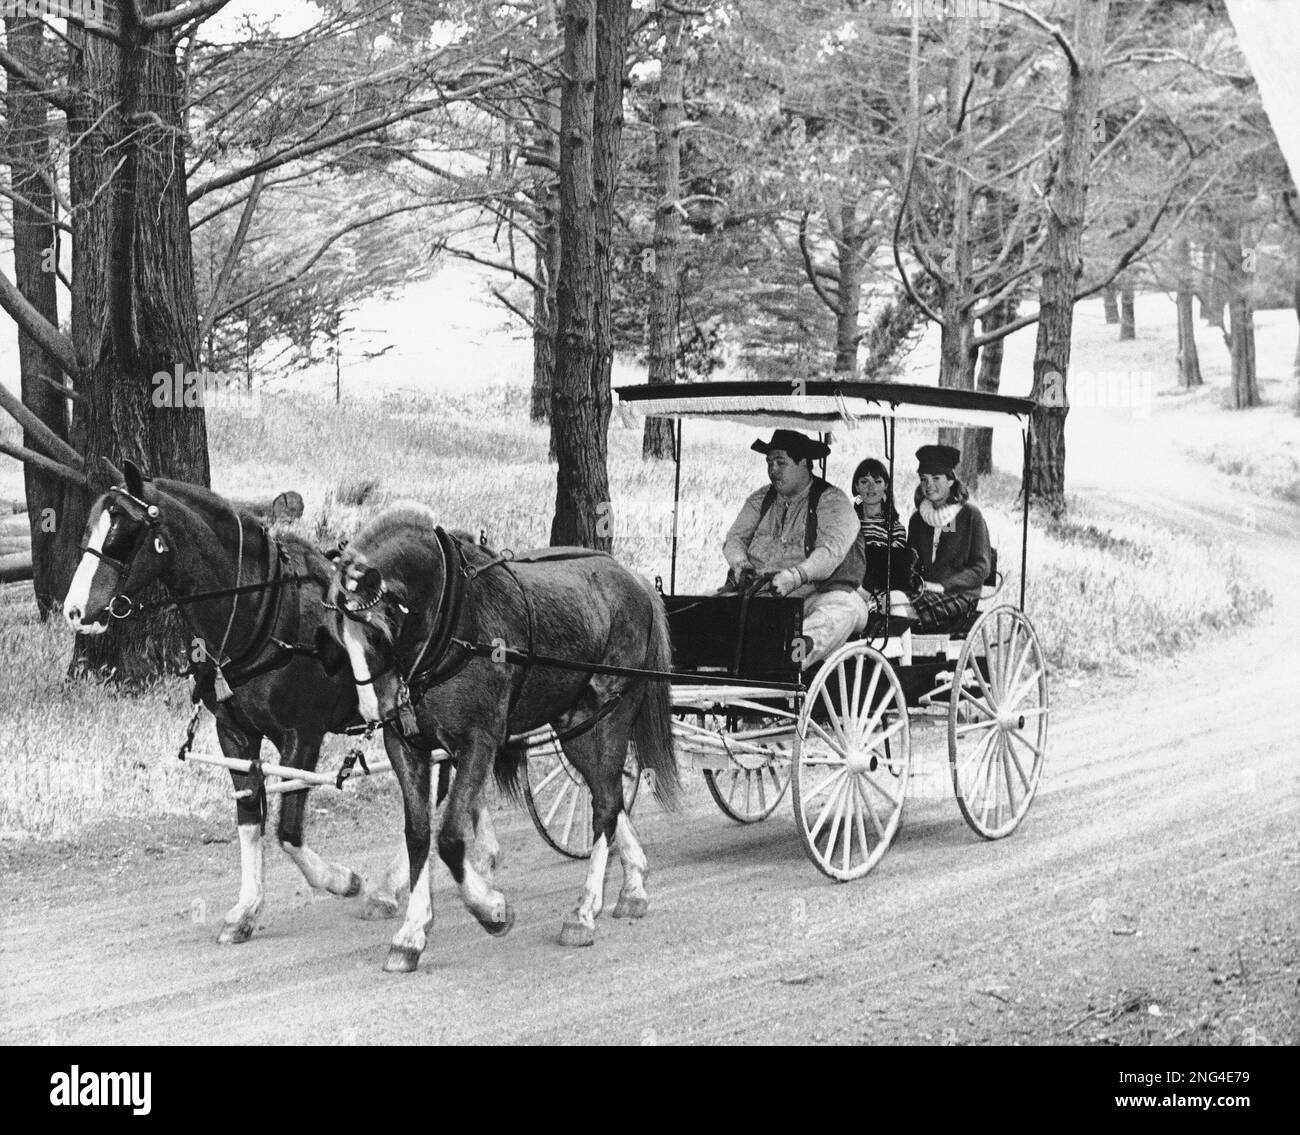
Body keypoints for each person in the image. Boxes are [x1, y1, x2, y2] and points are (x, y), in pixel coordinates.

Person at [722, 429, 867, 665]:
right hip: (759, 599)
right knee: (700, 611)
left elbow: (829, 553)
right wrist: (740, 564)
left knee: (843, 611)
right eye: (769, 462)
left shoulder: (833, 501)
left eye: (781, 462)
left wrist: (796, 576)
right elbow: (735, 539)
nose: (772, 470)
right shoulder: (761, 499)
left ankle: (790, 659)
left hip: (816, 597)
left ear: (804, 464)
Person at [905, 444, 993, 634]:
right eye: (924, 479)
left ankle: (903, 658)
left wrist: (944, 586)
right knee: (890, 602)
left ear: (951, 481)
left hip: (960, 596)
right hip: (924, 592)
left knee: (902, 610)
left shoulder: (970, 515)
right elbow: (910, 560)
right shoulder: (918, 519)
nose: (929, 485)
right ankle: (901, 658)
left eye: (936, 478)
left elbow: (981, 567)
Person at [850, 457, 920, 605]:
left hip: (883, 591)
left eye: (877, 482)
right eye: (864, 482)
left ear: (886, 486)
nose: (871, 487)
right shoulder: (847, 523)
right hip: (852, 587)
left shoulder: (895, 529)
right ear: (856, 486)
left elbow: (894, 568)